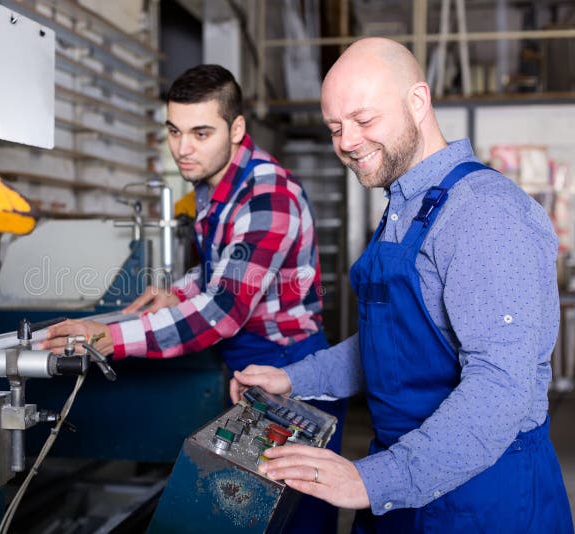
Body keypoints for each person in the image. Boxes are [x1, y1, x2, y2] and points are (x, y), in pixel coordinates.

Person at [231, 37, 574, 533]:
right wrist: (292, 380)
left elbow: (501, 386)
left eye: (364, 120)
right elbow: (390, 345)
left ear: (417, 101)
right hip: (401, 484)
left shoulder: (484, 213)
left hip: (482, 500)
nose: (348, 142)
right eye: (335, 128)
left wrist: (373, 480)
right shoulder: (406, 205)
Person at [41, 64, 347, 533]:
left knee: (295, 522)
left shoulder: (267, 195)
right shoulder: (215, 184)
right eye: (174, 131)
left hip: (292, 374)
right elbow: (223, 266)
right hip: (250, 369)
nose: (183, 148)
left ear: (236, 128)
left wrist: (112, 338)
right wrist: (179, 292)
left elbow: (223, 311)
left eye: (201, 133)